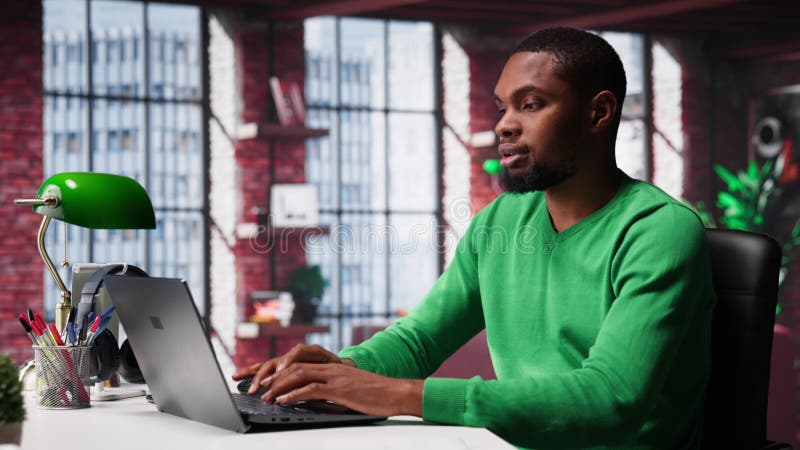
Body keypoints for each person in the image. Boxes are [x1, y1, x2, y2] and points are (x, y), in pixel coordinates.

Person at [233, 27, 715, 449]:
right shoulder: (502, 220)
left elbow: (610, 399)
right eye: (503, 106)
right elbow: (420, 341)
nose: (504, 123)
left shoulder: (658, 230)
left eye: (532, 104)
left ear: (599, 113)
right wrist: (334, 373)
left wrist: (399, 394)